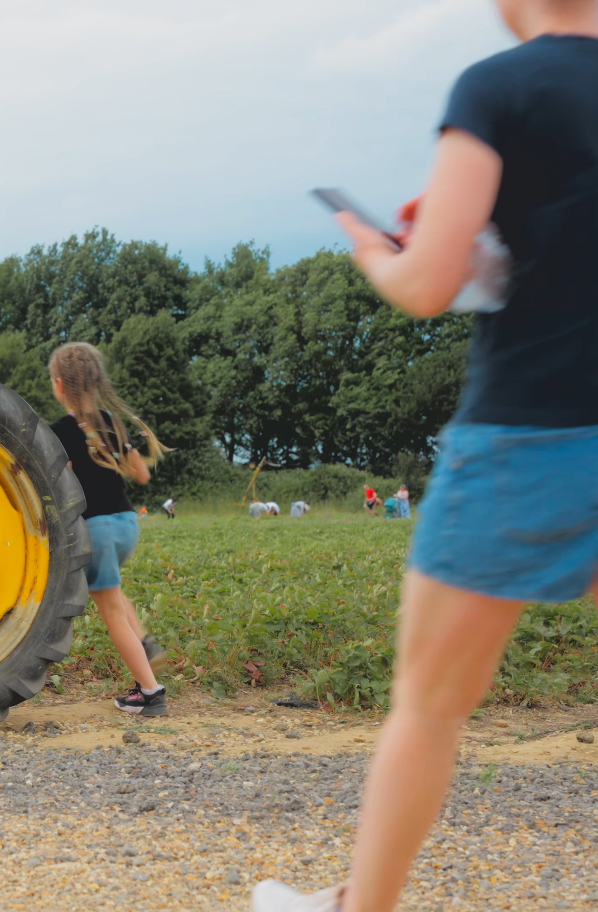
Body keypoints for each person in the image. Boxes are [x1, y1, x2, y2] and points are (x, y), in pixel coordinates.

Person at [254, 2, 598, 910]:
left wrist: (376, 248)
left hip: (525, 436)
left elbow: (430, 281)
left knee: (431, 705)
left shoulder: (499, 87)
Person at [48, 342, 173, 716]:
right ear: (96, 381)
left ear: (59, 385)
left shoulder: (58, 432)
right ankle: (144, 645)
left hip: (97, 531)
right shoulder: (114, 423)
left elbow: (59, 482)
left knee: (111, 611)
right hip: (127, 523)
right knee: (113, 592)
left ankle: (151, 693)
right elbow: (142, 475)